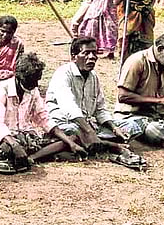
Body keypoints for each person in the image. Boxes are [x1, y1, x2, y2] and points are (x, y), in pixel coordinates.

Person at [46, 37, 145, 168]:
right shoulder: (63, 74)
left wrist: (115, 128)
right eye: (86, 53)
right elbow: (69, 107)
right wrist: (89, 131)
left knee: (132, 126)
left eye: (94, 53)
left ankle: (95, 142)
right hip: (66, 123)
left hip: (89, 126)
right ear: (74, 57)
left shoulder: (93, 77)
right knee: (74, 132)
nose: (92, 57)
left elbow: (100, 109)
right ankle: (106, 144)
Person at [0, 53, 82, 174]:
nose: (36, 85)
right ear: (19, 77)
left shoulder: (32, 90)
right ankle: (39, 156)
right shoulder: (0, 90)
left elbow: (43, 117)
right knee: (7, 149)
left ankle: (31, 158)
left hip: (25, 136)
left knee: (72, 138)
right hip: (6, 138)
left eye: (37, 80)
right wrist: (15, 145)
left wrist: (70, 143)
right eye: (32, 80)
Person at [0, 15, 26, 83]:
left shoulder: (18, 44)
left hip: (10, 78)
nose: (5, 35)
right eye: (2, 31)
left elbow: (19, 64)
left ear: (14, 31)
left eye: (9, 32)